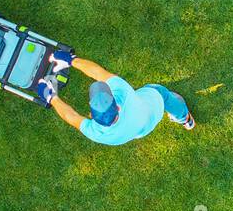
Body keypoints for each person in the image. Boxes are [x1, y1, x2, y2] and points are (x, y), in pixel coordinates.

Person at [37, 50, 194, 146]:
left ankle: (185, 120)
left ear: (91, 116)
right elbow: (99, 74)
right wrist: (71, 60)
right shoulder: (123, 94)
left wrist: (51, 98)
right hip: (155, 101)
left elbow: (71, 117)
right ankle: (185, 119)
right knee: (165, 96)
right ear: (117, 107)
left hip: (141, 130)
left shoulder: (97, 133)